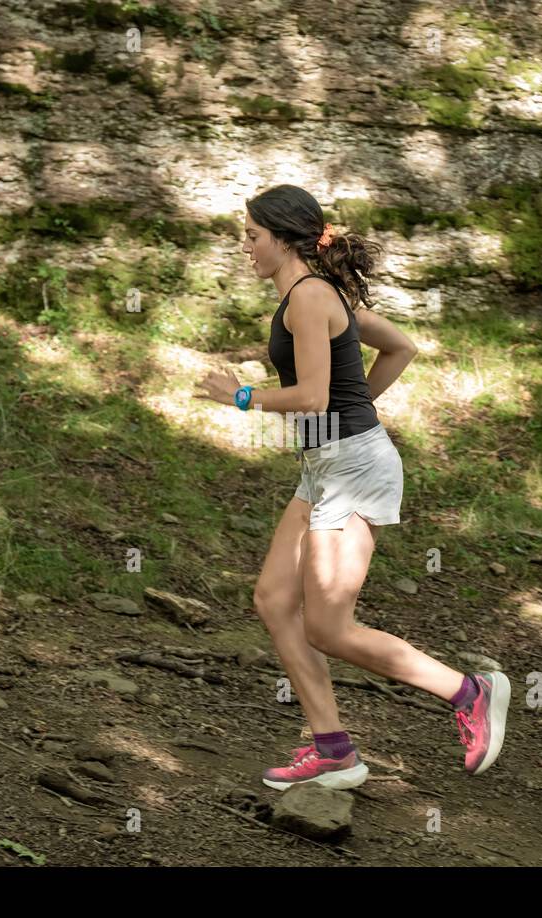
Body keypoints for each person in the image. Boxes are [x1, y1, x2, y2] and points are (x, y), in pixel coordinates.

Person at [195, 184, 510, 790]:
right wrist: (355, 406)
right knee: (273, 600)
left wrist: (241, 396)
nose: (245, 247)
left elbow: (312, 396)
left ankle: (469, 692)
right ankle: (333, 749)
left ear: (284, 239)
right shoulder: (313, 293)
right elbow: (401, 347)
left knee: (329, 627)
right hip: (327, 464)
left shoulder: (310, 297)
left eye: (253, 235)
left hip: (353, 468)